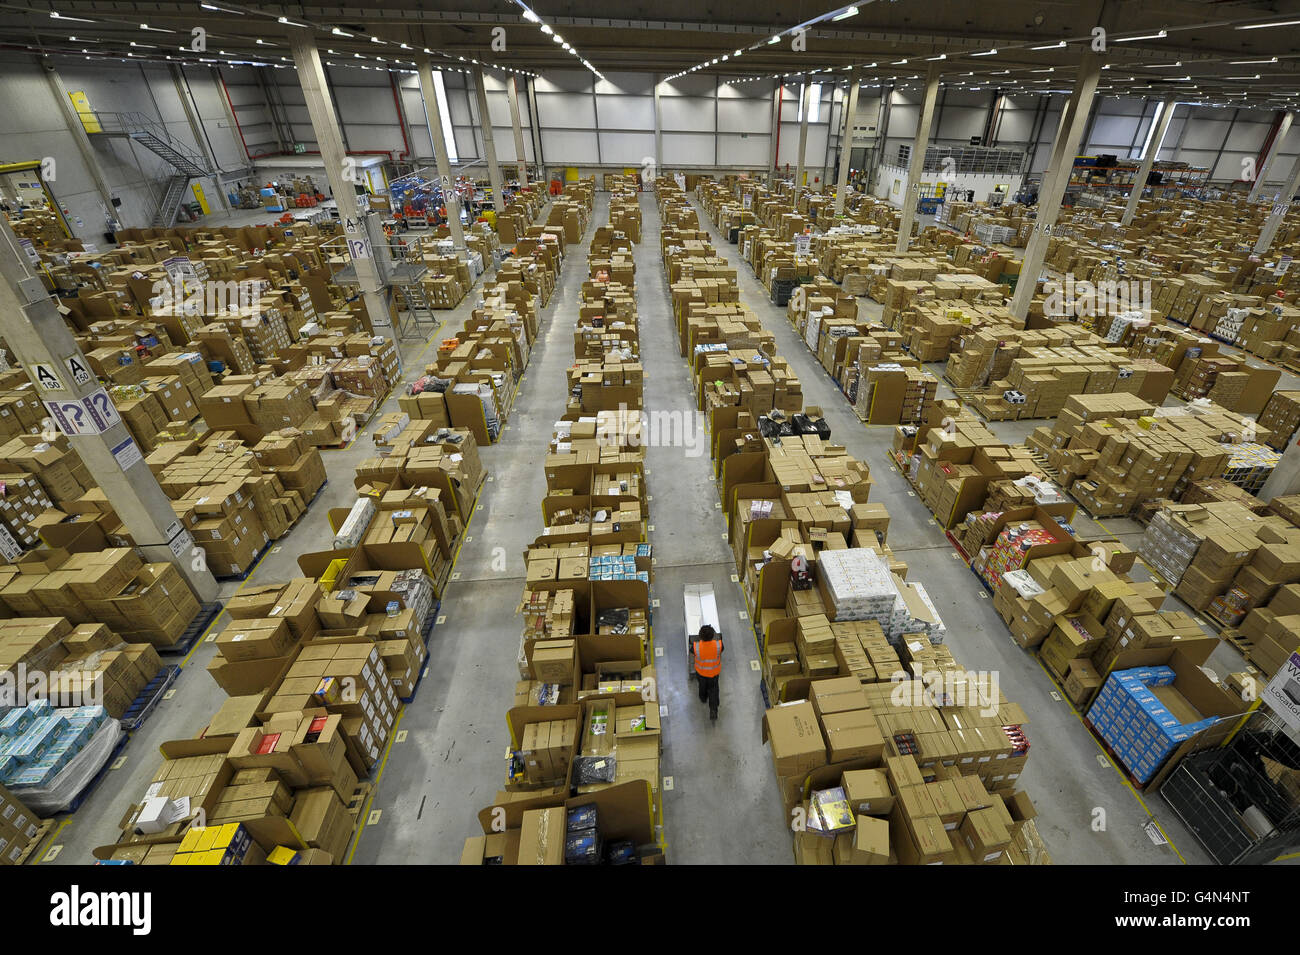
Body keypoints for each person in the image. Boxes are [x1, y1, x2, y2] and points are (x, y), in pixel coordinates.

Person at [693, 624, 724, 721]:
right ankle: (713, 709)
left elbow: (692, 651)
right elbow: (721, 650)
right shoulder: (719, 645)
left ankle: (703, 698)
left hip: (701, 673)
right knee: (714, 690)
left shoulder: (696, 647)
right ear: (712, 635)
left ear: (700, 636)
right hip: (714, 673)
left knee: (702, 687)